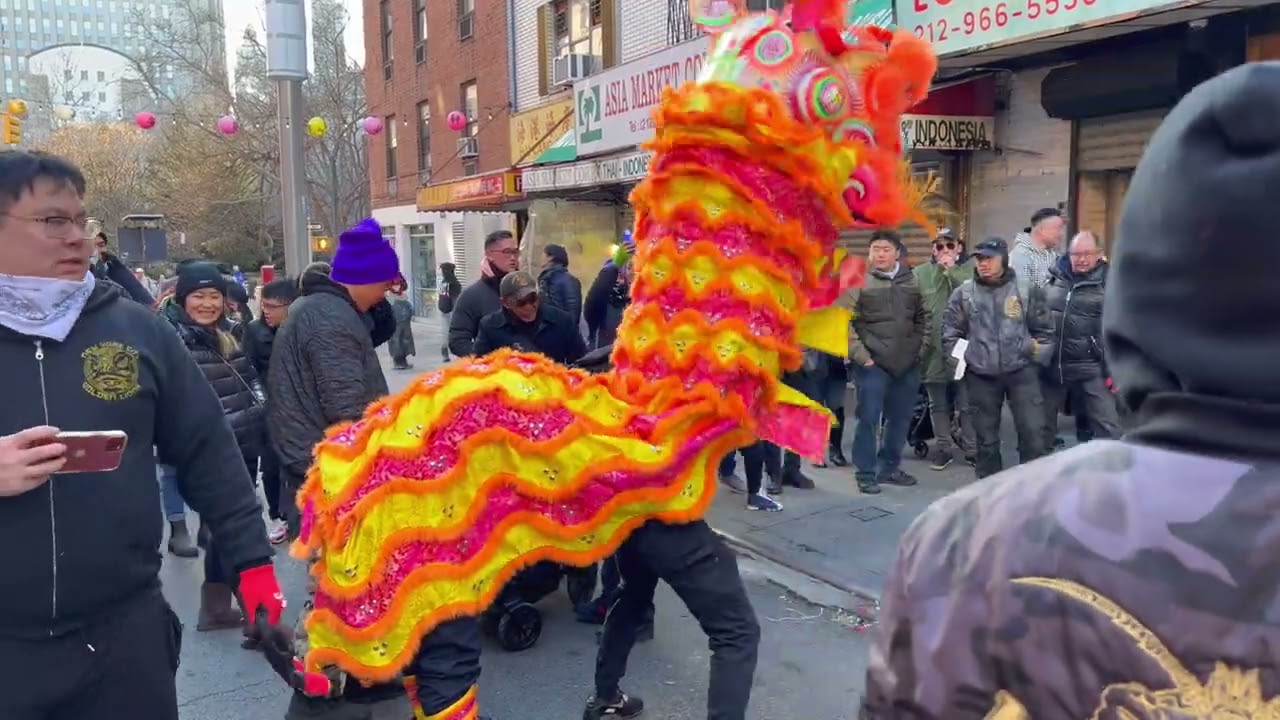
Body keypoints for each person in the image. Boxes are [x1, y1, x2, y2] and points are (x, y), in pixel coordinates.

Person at [862, 61, 1280, 719]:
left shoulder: (965, 543)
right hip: (974, 381)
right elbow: (943, 323)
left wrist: (1035, 352)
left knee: (1031, 437)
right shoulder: (968, 527)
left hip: (1030, 380)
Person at [0, 150, 282, 720]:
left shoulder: (137, 330)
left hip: (123, 643)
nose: (79, 237)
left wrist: (254, 567)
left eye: (83, 221)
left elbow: (210, 454)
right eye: (54, 221)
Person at [269, 218, 475, 720]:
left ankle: (345, 670)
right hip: (334, 475)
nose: (390, 290)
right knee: (335, 583)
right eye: (385, 281)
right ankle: (320, 675)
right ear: (362, 278)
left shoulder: (325, 310)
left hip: (323, 467)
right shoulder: (330, 320)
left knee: (347, 578)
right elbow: (347, 408)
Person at [159, 261, 267, 632]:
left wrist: (260, 407)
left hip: (244, 440)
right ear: (182, 297)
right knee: (230, 529)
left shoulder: (228, 333)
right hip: (208, 452)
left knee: (226, 529)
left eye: (214, 296)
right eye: (199, 296)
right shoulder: (171, 339)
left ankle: (217, 608)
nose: (207, 304)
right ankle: (259, 617)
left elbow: (250, 377)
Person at [941, 237, 1053, 479]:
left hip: (1022, 373)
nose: (983, 264)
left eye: (989, 258)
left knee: (1033, 435)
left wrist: (1034, 355)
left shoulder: (1026, 290)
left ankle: (1031, 486)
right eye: (979, 259)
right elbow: (950, 334)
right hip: (981, 376)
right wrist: (964, 362)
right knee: (986, 441)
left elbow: (1045, 331)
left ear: (1003, 258)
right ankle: (990, 489)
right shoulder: (964, 294)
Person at [845, 230, 927, 494]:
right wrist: (862, 356)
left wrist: (919, 351)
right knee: (868, 418)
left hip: (907, 364)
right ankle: (866, 473)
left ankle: (889, 467)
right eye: (875, 249)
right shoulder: (858, 282)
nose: (879, 254)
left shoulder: (912, 282)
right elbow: (843, 323)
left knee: (901, 419)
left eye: (885, 249)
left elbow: (924, 318)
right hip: (872, 364)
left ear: (897, 254)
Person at [1041, 230, 1120, 448]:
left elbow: (1121, 326)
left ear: (1100, 254)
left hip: (1092, 365)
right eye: (1076, 254)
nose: (1082, 259)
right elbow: (1039, 314)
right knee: (1040, 428)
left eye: (1087, 253)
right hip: (1053, 363)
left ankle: (1112, 475)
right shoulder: (1055, 277)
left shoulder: (1111, 283)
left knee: (1108, 428)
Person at [913, 229, 976, 470]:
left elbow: (973, 299)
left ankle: (971, 449)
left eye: (950, 245)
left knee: (967, 403)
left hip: (964, 349)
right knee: (937, 404)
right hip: (933, 351)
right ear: (932, 249)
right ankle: (943, 448)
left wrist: (952, 273)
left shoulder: (972, 271)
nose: (944, 251)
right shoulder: (921, 274)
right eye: (939, 247)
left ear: (959, 247)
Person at [243, 277, 297, 545]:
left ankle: (294, 518)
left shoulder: (300, 328)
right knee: (272, 467)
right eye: (264, 305)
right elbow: (248, 370)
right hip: (268, 408)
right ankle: (276, 516)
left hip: (297, 410)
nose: (266, 311)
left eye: (273, 306)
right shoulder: (253, 331)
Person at [473, 270, 586, 364]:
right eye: (521, 301)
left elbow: (581, 361)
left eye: (532, 298)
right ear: (505, 303)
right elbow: (480, 367)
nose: (529, 305)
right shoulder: (490, 326)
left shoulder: (561, 320)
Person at [448, 229, 517, 357]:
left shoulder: (525, 289)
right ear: (489, 254)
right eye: (507, 252)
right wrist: (487, 361)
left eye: (515, 252)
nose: (513, 258)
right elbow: (458, 341)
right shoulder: (472, 296)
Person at [584, 234, 634, 349]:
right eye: (630, 266)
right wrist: (614, 267)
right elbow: (592, 305)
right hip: (606, 356)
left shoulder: (644, 298)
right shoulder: (608, 299)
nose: (633, 270)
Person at [1009, 207, 1063, 306]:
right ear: (1042, 230)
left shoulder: (1054, 256)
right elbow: (1022, 298)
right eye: (1058, 228)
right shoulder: (1021, 256)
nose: (1061, 234)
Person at [90, 228, 155, 305]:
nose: (98, 251)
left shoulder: (116, 267)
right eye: (92, 246)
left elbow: (136, 289)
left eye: (101, 245)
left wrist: (151, 304)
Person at [537, 243, 583, 325]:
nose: (540, 258)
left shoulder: (568, 281)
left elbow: (573, 313)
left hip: (562, 331)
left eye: (543, 254)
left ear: (551, 257)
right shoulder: (545, 279)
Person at [385, 274, 416, 370]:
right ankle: (398, 361)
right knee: (396, 341)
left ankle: (404, 360)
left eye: (398, 284)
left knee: (405, 340)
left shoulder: (404, 296)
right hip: (394, 324)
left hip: (405, 324)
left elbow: (409, 308)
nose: (396, 287)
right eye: (394, 285)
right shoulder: (388, 297)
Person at [436, 261, 462, 361]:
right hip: (452, 311)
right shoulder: (455, 283)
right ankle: (455, 353)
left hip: (443, 310)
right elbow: (456, 299)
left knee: (445, 332)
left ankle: (445, 353)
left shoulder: (443, 283)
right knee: (455, 332)